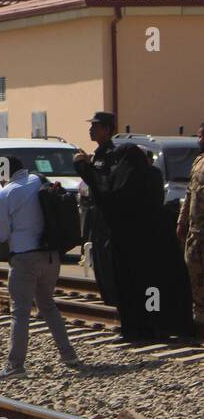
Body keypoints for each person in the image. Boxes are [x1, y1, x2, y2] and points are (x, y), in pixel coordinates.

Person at [81, 144, 195, 341]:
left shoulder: (121, 178)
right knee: (153, 286)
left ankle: (136, 327)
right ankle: (157, 323)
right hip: (155, 242)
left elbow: (105, 194)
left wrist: (84, 168)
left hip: (127, 244)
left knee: (130, 288)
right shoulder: (153, 175)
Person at [0, 158, 79, 378]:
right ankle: (68, 354)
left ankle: (15, 366)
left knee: (20, 313)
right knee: (48, 305)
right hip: (51, 256)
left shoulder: (4, 195)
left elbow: (2, 234)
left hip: (24, 258)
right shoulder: (38, 180)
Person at [73, 111, 119, 305]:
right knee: (98, 263)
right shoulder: (100, 153)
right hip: (95, 215)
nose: (91, 130)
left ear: (107, 130)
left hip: (105, 218)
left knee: (106, 265)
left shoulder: (109, 154)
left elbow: (100, 183)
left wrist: (81, 166)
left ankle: (113, 305)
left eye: (96, 126)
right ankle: (109, 303)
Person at [176, 122, 204, 325]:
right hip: (195, 232)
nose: (199, 140)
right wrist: (181, 221)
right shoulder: (198, 162)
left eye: (203, 136)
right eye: (199, 136)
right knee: (193, 276)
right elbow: (189, 192)